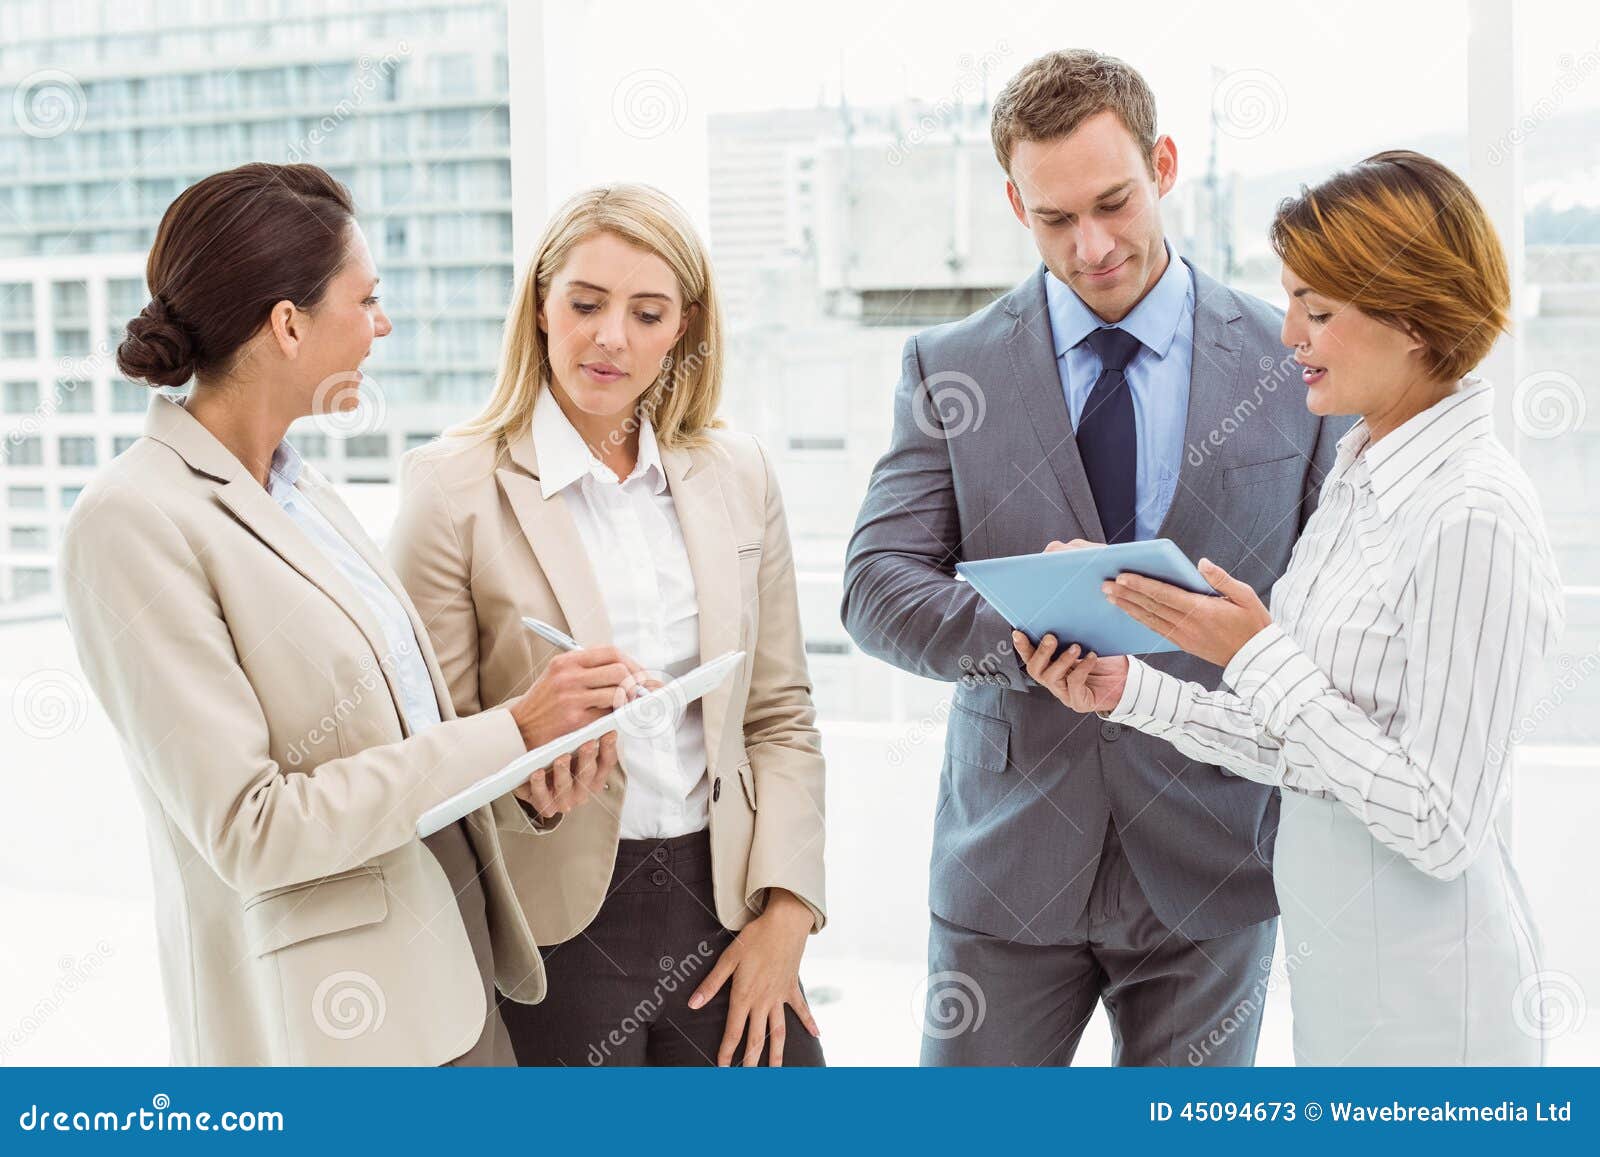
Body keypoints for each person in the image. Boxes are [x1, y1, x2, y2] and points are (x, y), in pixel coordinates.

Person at [58, 163, 632, 1065]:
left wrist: (523, 771)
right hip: (336, 1033)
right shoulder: (130, 521)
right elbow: (254, 828)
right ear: (288, 324)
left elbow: (400, 743)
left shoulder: (304, 491)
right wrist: (511, 728)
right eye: (366, 299)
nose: (383, 323)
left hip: (459, 972)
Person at [841, 49, 1350, 1066]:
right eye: (1054, 218)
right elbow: (874, 586)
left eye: (1113, 202)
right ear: (1012, 201)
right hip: (1008, 858)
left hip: (1215, 856)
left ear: (1161, 164)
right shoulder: (952, 366)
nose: (1093, 244)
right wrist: (1034, 631)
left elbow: (1325, 596)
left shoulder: (1291, 360)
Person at [1018, 150, 1564, 1065]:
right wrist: (1130, 690)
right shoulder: (1358, 477)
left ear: (1416, 320)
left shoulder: (1472, 512)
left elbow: (1439, 821)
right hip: (1349, 992)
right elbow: (1304, 750)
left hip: (1438, 1015)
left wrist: (1259, 654)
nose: (1288, 334)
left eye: (1318, 308)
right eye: (1291, 301)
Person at [387, 183, 827, 1067]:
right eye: (585, 303)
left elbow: (779, 715)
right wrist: (525, 784)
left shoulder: (736, 473)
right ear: (541, 305)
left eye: (647, 311)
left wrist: (787, 913)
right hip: (554, 931)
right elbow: (426, 750)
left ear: (685, 328)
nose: (610, 337)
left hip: (730, 904)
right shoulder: (451, 489)